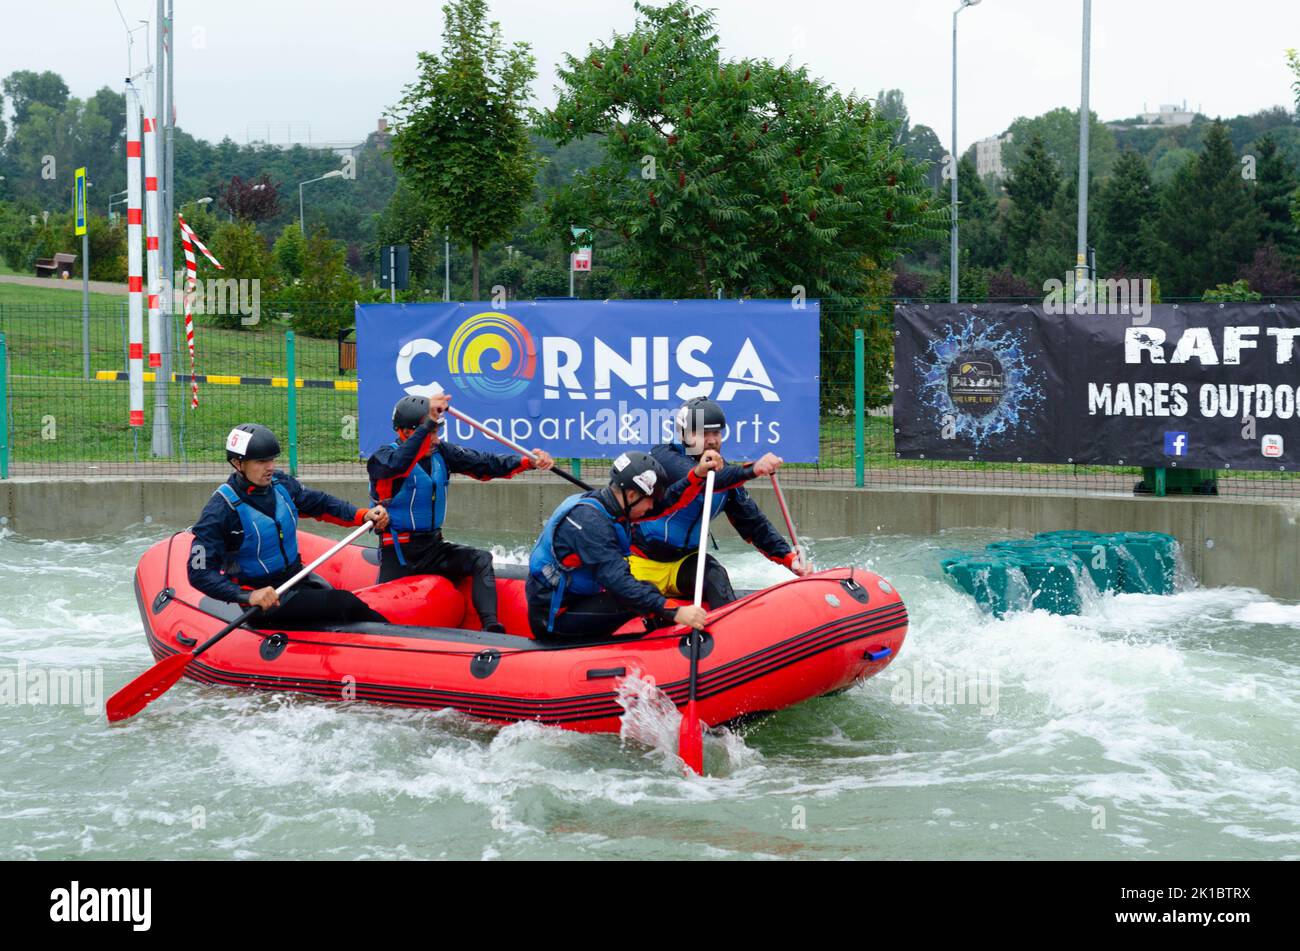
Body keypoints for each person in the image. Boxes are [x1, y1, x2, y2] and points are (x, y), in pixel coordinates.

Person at [367, 393, 555, 633]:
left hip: (432, 547)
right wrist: (427, 425)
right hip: (399, 553)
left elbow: (484, 465)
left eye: (436, 432)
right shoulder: (382, 459)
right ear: (405, 433)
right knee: (383, 620)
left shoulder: (440, 453)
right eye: (431, 433)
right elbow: (400, 464)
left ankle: (491, 628)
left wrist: (527, 462)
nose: (435, 439)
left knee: (481, 559)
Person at [527, 448, 761, 639]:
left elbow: (667, 502)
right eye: (649, 501)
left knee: (646, 592)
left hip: (579, 599)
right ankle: (665, 651)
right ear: (631, 495)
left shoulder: (614, 505)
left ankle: (666, 642)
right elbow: (619, 584)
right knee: (635, 596)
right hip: (555, 619)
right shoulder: (590, 524)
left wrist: (698, 474)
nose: (651, 508)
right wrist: (676, 611)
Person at [188, 423, 391, 630]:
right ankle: (397, 642)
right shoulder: (220, 511)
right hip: (263, 600)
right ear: (237, 464)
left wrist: (361, 514)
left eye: (272, 459)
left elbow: (320, 503)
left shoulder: (280, 484)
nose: (270, 467)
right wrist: (248, 595)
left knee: (334, 598)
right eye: (261, 461)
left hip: (296, 578)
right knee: (344, 603)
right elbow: (199, 573)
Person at [630, 397, 811, 608]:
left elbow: (754, 525)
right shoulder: (662, 458)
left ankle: (726, 636)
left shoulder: (727, 478)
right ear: (684, 435)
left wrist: (789, 558)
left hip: (683, 565)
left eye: (716, 433)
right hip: (639, 563)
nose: (712, 440)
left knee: (715, 575)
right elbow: (702, 480)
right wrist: (753, 469)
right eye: (703, 434)